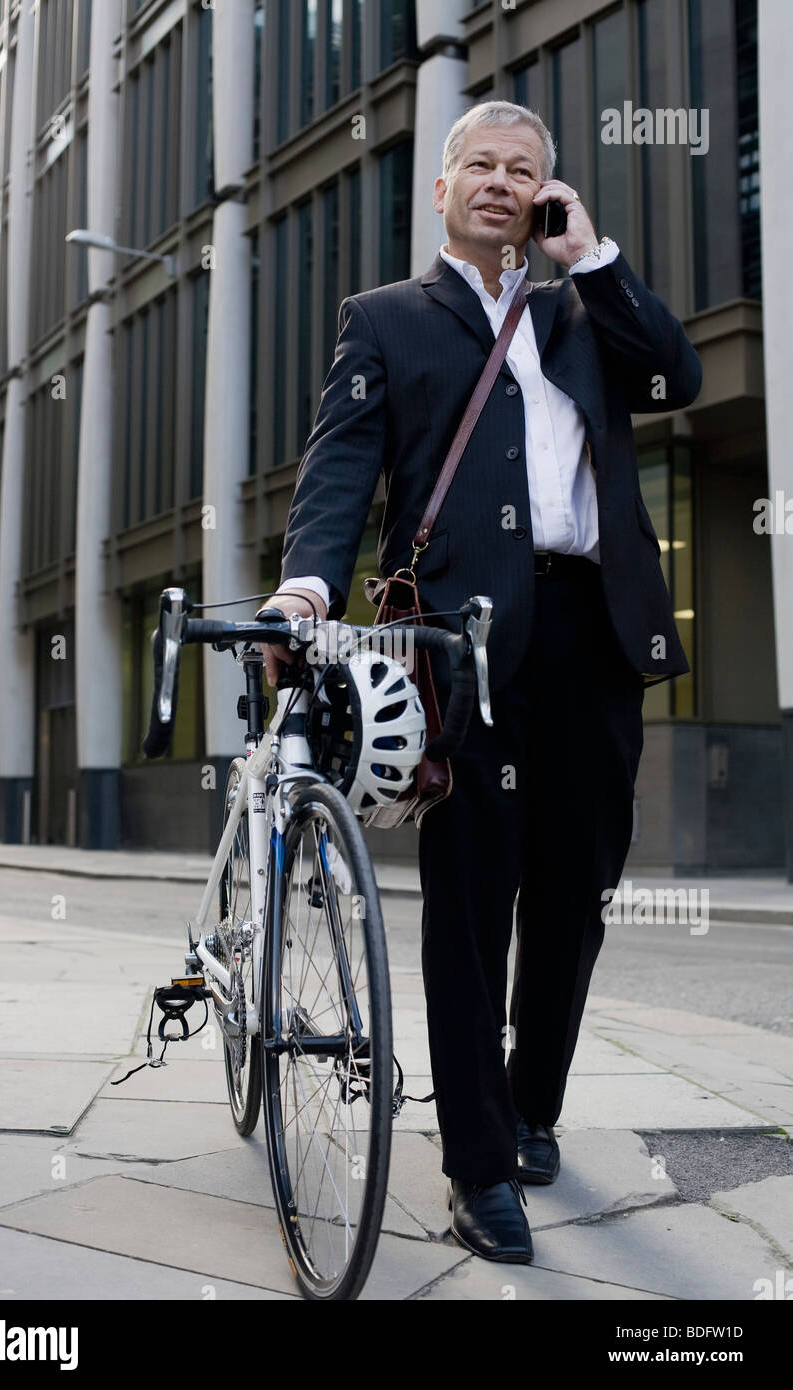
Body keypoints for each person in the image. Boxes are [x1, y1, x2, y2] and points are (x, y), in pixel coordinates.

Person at [258, 101, 702, 1263]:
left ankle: (529, 1101)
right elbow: (341, 466)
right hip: (464, 645)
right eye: (481, 167)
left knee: (576, 891)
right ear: (444, 187)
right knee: (468, 903)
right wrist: (308, 588)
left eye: (524, 171)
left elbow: (677, 376)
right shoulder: (387, 321)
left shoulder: (581, 313)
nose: (501, 182)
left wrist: (590, 258)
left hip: (593, 637)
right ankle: (473, 1162)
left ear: (546, 195)